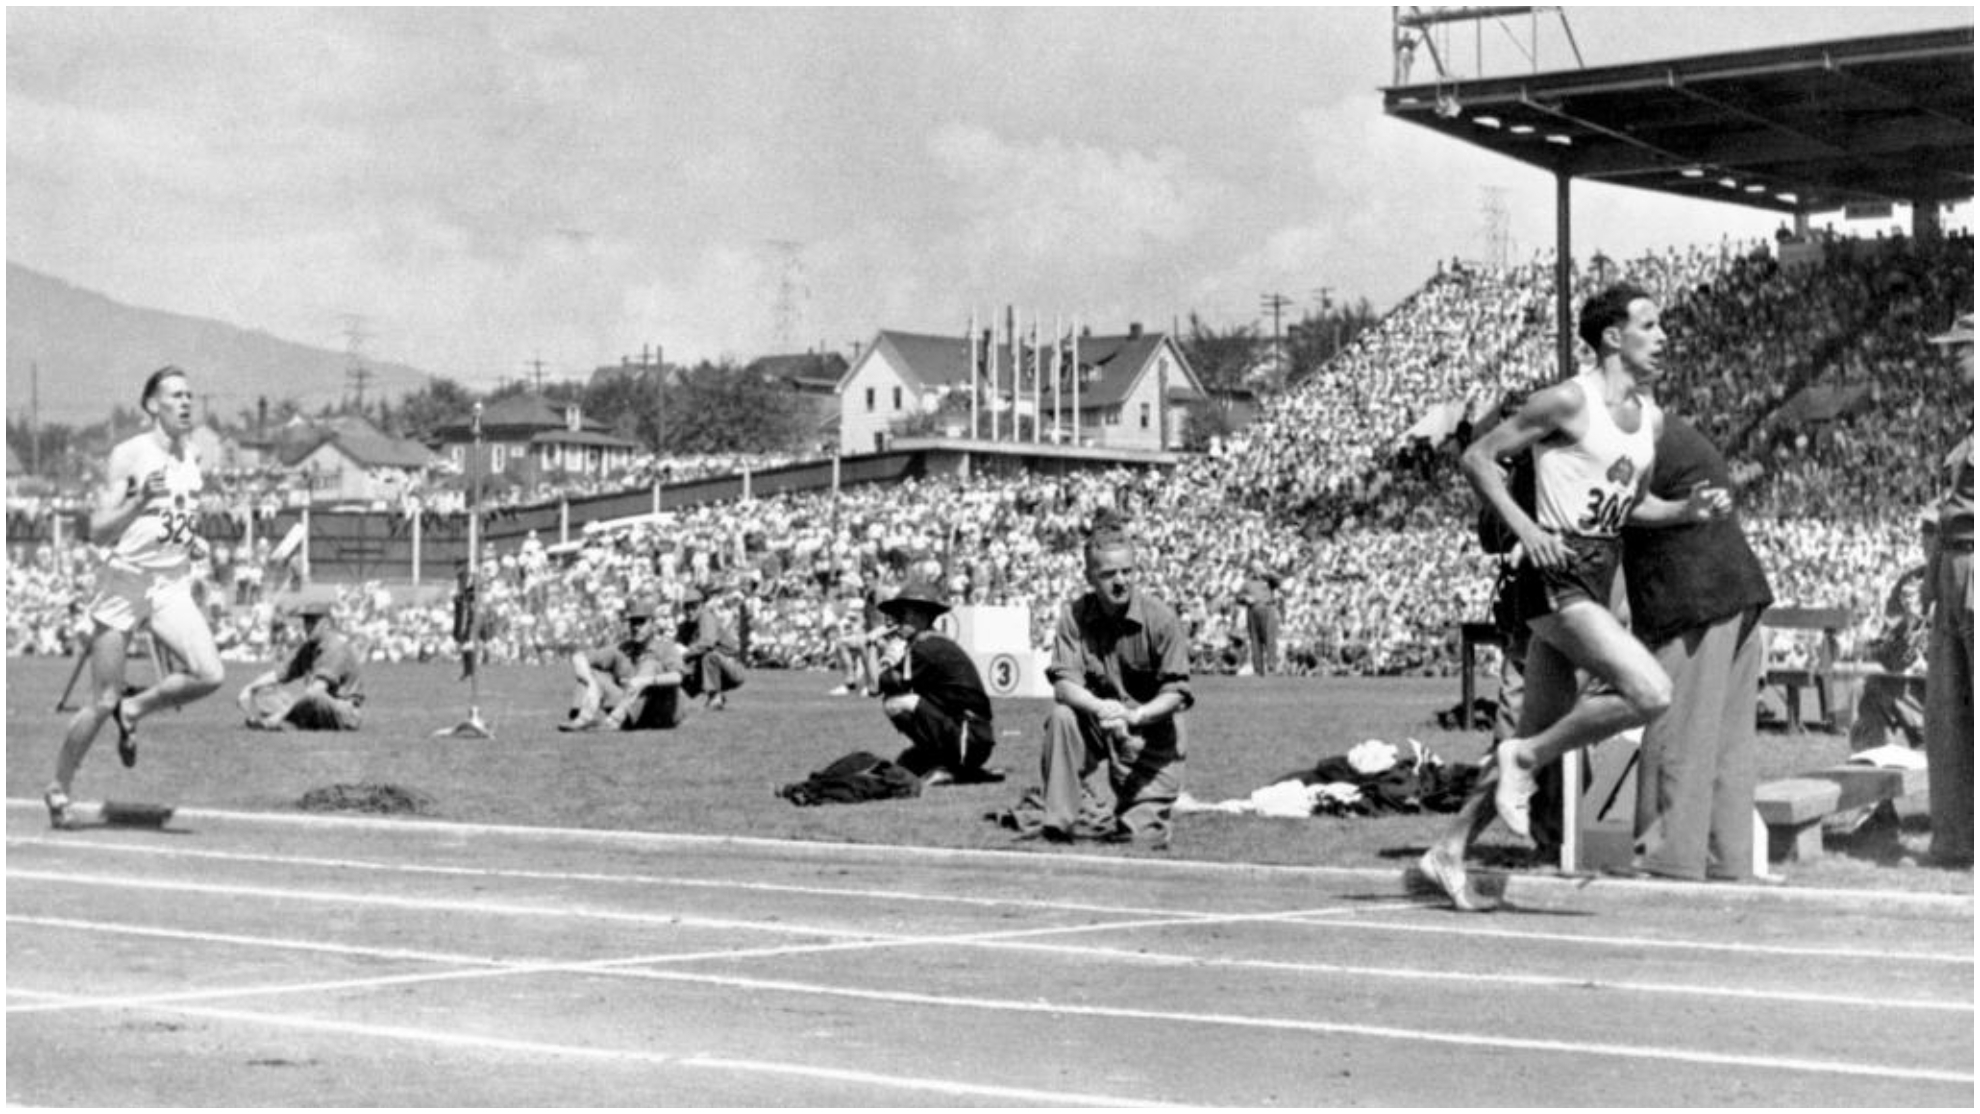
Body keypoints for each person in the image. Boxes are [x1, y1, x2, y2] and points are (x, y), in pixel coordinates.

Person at [1416, 285, 1725, 909]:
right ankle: (1525, 758)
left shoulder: (1650, 418)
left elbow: (1633, 506)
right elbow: (1478, 459)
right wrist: (1527, 529)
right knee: (1650, 692)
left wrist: (1687, 509)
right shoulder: (1566, 400)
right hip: (1555, 574)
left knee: (1538, 728)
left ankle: (1448, 849)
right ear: (1614, 337)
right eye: (1650, 324)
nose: (1663, 337)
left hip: (1598, 570)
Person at [45, 365, 227, 828]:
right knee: (102, 699)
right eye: (176, 396)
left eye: (190, 395)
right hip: (124, 583)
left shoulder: (194, 456)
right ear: (152, 405)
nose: (187, 403)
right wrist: (138, 501)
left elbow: (178, 514)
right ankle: (60, 786)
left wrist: (191, 540)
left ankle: (137, 707)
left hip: (170, 584)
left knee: (210, 674)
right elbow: (98, 531)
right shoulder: (129, 455)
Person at [1620, 414, 1774, 882]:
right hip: (1735, 589)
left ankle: (1668, 857)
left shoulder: (1619, 429)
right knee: (1726, 744)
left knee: (1676, 730)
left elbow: (1611, 510)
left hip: (1693, 595)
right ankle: (1725, 858)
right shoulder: (1667, 430)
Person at [1034, 524, 1194, 843]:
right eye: (1109, 574)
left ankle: (1133, 808)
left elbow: (1176, 694)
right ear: (1090, 576)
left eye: (1127, 571)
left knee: (1139, 834)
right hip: (1099, 723)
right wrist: (1102, 707)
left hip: (1150, 735)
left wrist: (1136, 715)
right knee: (1062, 718)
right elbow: (1064, 686)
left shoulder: (1161, 619)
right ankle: (1058, 822)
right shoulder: (1074, 616)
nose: (1121, 581)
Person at [1922, 311, 1973, 869]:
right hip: (1954, 563)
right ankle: (1957, 839)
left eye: (1964, 346)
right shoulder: (1967, 425)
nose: (1954, 357)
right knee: (1948, 711)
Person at [872, 577, 998, 785]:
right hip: (973, 735)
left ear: (922, 616)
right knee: (904, 766)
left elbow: (879, 685)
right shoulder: (930, 642)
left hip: (968, 738)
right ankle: (945, 763)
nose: (898, 619)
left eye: (905, 613)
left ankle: (953, 767)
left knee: (894, 703)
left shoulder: (926, 648)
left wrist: (874, 649)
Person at [236, 598, 365, 731]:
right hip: (316, 708)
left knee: (313, 695)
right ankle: (288, 720)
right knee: (264, 689)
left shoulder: (335, 648)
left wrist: (282, 713)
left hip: (344, 713)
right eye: (306, 621)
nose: (307, 626)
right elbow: (279, 674)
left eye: (312, 622)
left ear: (326, 623)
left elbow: (317, 689)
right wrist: (250, 688)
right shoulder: (309, 648)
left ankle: (277, 721)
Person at [562, 597, 687, 731]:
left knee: (651, 665)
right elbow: (579, 657)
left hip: (661, 711)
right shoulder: (622, 649)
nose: (636, 627)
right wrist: (590, 681)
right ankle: (582, 718)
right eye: (633, 623)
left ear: (653, 624)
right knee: (593, 673)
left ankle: (615, 720)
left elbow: (677, 677)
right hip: (631, 709)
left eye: (641, 622)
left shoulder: (666, 648)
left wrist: (646, 681)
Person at [677, 586, 745, 710]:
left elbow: (707, 643)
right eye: (687, 607)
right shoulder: (684, 626)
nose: (690, 611)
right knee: (677, 667)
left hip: (732, 667)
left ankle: (715, 697)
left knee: (710, 656)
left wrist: (685, 653)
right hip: (711, 669)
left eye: (694, 607)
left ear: (701, 605)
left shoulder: (706, 617)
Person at [1237, 566, 1281, 676]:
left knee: (1270, 639)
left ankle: (1271, 667)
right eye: (1255, 569)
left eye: (1259, 568)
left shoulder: (1269, 580)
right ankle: (1258, 669)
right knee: (1255, 641)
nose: (1257, 571)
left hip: (1268, 609)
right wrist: (1245, 598)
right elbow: (1238, 596)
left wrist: (1267, 573)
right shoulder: (1247, 583)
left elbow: (1278, 581)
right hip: (1252, 610)